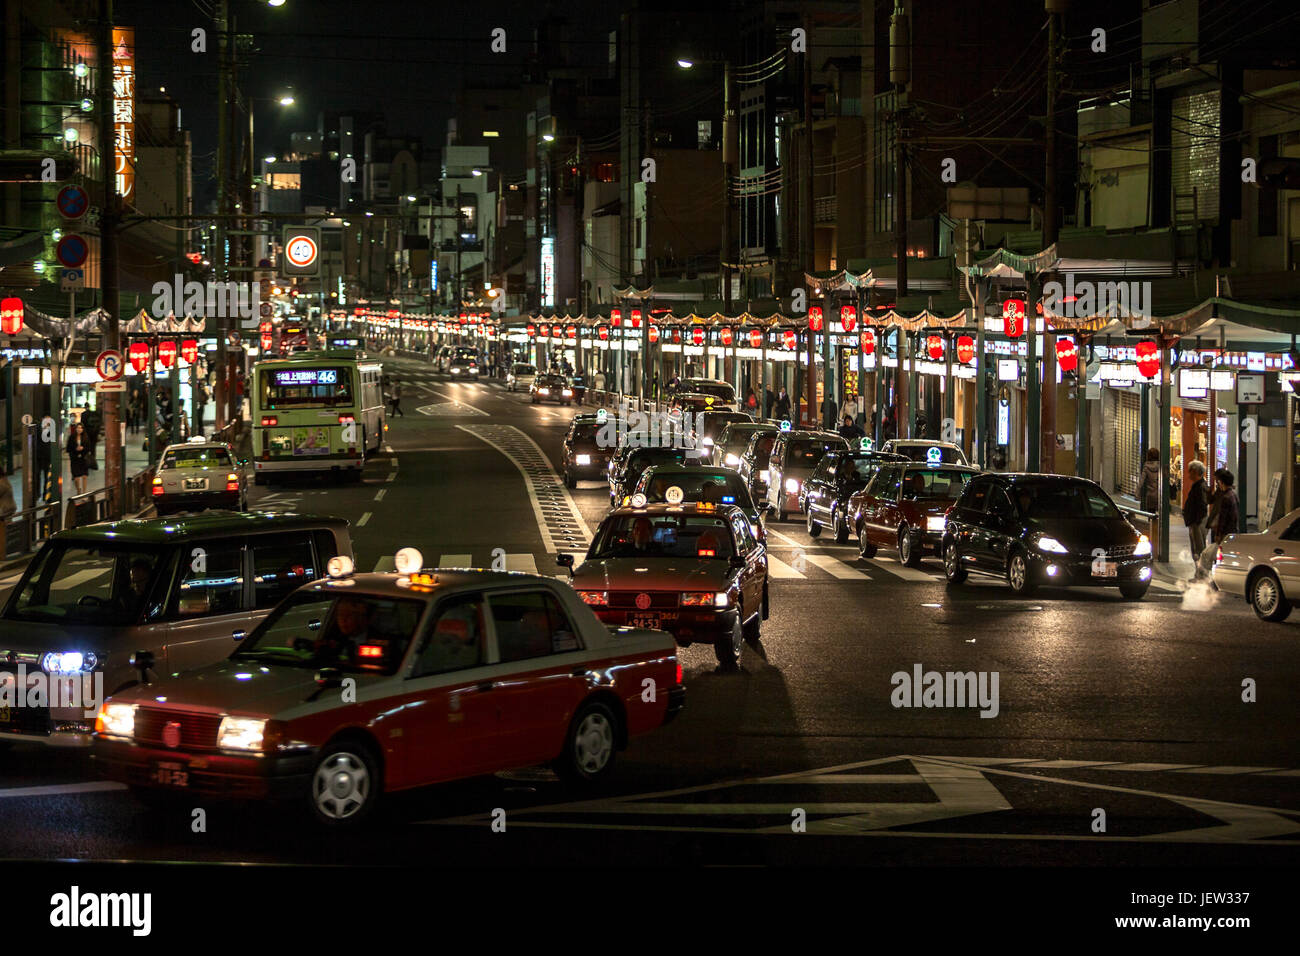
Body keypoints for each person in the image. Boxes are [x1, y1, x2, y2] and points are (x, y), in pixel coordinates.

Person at [1183, 460, 1209, 561]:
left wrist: (1196, 522)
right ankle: (1199, 572)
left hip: (1197, 522)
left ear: (1196, 472)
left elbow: (1202, 505)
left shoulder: (1200, 487)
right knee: (1197, 549)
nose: (1189, 474)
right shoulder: (1199, 485)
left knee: (1198, 550)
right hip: (1196, 522)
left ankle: (1201, 573)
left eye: (1190, 471)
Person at [66, 422, 90, 495]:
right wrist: (75, 449)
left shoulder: (86, 437)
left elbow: (89, 448)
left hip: (83, 458)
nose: (79, 429)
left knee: (84, 476)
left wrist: (83, 448)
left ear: (83, 429)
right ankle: (78, 489)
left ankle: (84, 492)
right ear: (76, 429)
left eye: (81, 428)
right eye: (78, 428)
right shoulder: (72, 437)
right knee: (76, 478)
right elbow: (68, 448)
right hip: (75, 459)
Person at [1139, 448, 1161, 512]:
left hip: (1150, 494)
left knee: (1151, 514)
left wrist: (1137, 493)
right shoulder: (1161, 466)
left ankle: (1151, 521)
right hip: (1160, 494)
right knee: (1161, 515)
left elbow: (1141, 481)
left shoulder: (1146, 466)